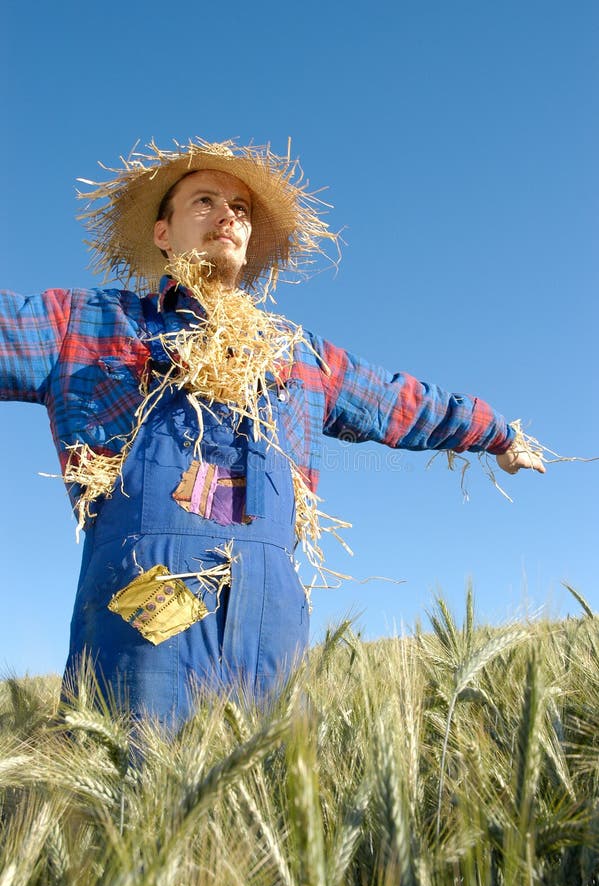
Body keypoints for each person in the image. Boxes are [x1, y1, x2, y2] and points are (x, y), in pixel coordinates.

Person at [0, 138, 544, 726]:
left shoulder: (296, 355)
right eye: (203, 201)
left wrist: (496, 434)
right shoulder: (91, 324)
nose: (228, 215)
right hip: (148, 599)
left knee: (273, 799)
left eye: (240, 207)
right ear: (164, 233)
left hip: (270, 616)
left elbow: (400, 400)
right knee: (140, 793)